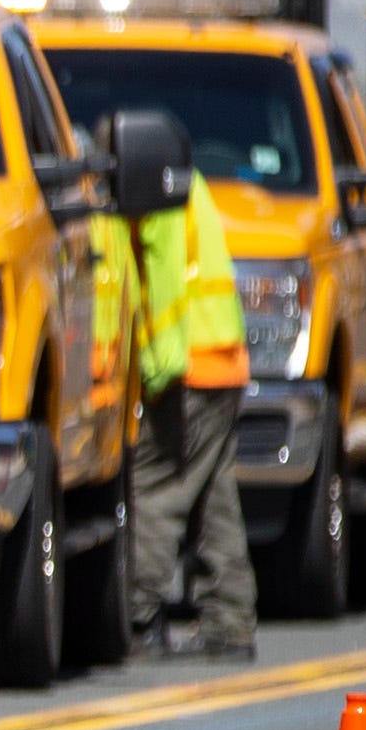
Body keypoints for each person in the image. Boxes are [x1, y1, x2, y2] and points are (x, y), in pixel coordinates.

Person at [106, 106, 258, 662]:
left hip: (188, 367)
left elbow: (166, 286)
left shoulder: (157, 193)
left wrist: (155, 376)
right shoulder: (181, 181)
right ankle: (230, 619)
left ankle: (138, 615)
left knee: (155, 488)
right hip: (223, 359)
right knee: (213, 493)